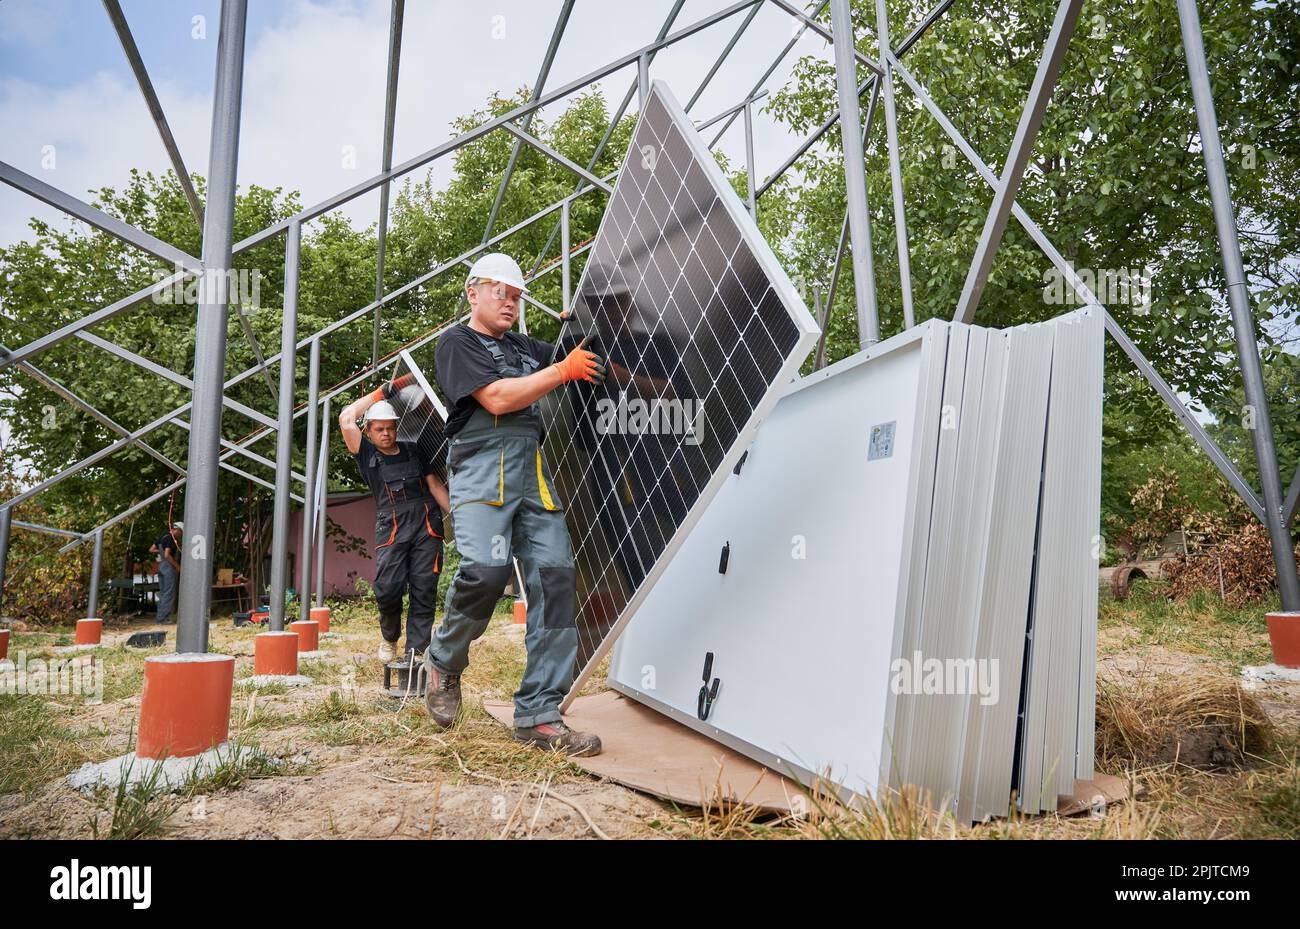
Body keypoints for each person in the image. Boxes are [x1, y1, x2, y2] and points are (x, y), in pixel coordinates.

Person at [424, 251, 606, 756]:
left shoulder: (528, 347)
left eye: (516, 295)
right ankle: (444, 659)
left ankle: (539, 714)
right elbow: (500, 398)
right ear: (473, 293)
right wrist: (563, 369)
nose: (509, 302)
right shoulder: (457, 343)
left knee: (556, 578)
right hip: (482, 466)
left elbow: (582, 363)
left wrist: (581, 334)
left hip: (532, 470)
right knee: (485, 571)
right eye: (499, 292)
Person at [339, 385, 450, 662]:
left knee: (424, 588)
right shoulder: (365, 454)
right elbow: (346, 418)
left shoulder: (413, 451)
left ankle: (417, 651)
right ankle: (390, 637)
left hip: (427, 524)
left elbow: (434, 485)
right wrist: (381, 394)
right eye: (380, 429)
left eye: (390, 428)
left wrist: (458, 516)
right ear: (369, 431)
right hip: (392, 527)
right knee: (388, 588)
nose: (386, 433)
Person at [156, 521, 182, 624]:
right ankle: (163, 619)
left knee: (163, 593)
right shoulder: (171, 538)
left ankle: (160, 617)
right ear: (177, 530)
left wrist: (162, 552)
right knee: (169, 593)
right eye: (181, 533)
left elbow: (152, 549)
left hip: (161, 567)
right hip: (169, 569)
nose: (180, 535)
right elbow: (167, 555)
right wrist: (177, 566)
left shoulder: (163, 537)